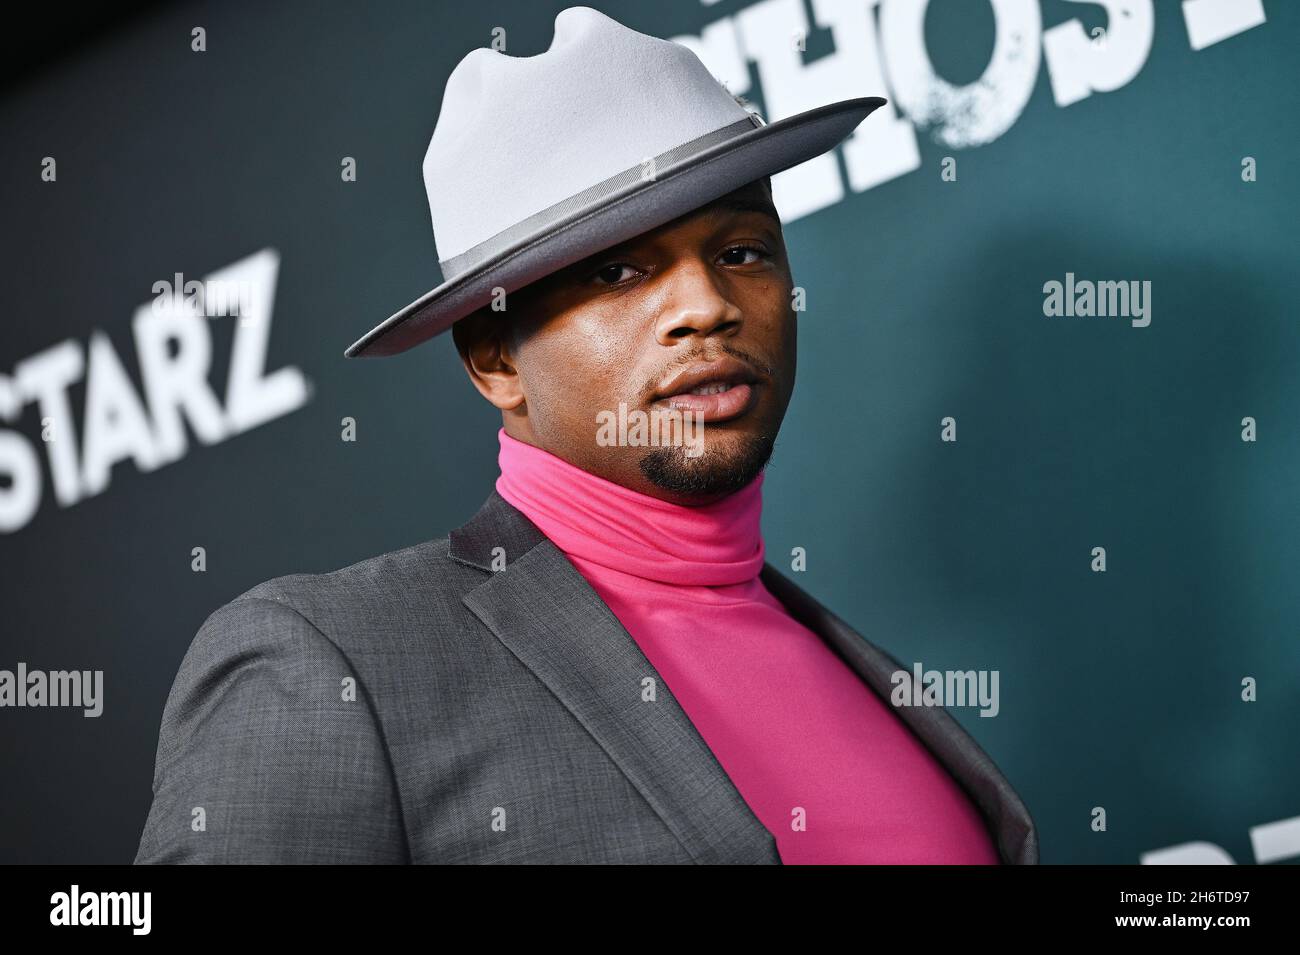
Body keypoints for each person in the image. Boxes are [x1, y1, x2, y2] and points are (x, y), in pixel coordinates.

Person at [135, 5, 1037, 865]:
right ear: (495, 356)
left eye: (741, 252)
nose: (707, 307)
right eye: (617, 271)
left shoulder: (862, 677)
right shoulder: (335, 662)